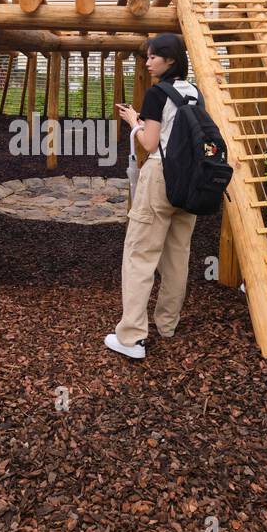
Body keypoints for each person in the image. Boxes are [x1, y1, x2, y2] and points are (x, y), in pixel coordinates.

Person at [105, 33, 198, 359]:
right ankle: (167, 325)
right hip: (190, 181)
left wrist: (134, 121)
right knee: (177, 255)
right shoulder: (193, 92)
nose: (147, 62)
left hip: (160, 176)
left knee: (139, 254)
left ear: (170, 59)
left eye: (152, 57)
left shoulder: (157, 93)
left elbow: (148, 144)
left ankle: (131, 337)